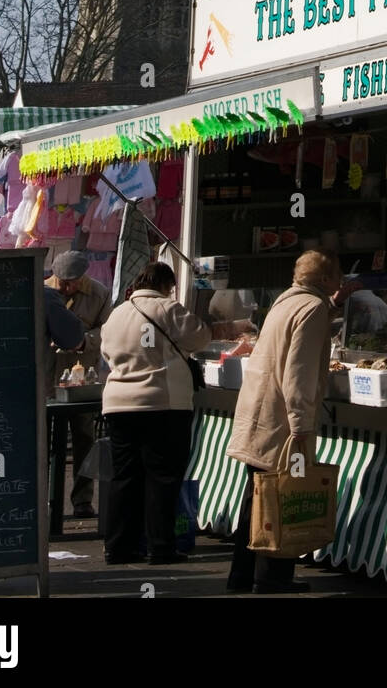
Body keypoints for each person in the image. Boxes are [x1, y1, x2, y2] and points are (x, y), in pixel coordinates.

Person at [99, 260, 254, 565]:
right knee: (162, 477)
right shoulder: (168, 309)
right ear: (166, 286)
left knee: (125, 477)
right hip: (162, 404)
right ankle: (161, 546)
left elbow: (107, 353)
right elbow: (199, 338)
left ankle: (118, 547)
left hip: (118, 404)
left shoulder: (116, 314)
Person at [226, 248, 342, 595]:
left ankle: (242, 576)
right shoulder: (313, 307)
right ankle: (273, 577)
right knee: (282, 497)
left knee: (257, 496)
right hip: (281, 421)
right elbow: (299, 372)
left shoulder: (285, 301)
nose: (341, 281)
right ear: (324, 279)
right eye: (338, 275)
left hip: (258, 412)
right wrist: (301, 424)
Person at [45, 251, 113, 518]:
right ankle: (42, 497)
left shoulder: (99, 294)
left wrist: (86, 341)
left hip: (80, 374)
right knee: (43, 438)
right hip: (47, 374)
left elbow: (107, 330)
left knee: (84, 436)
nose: (65, 287)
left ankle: (83, 499)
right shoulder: (43, 290)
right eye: (61, 281)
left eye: (70, 282)